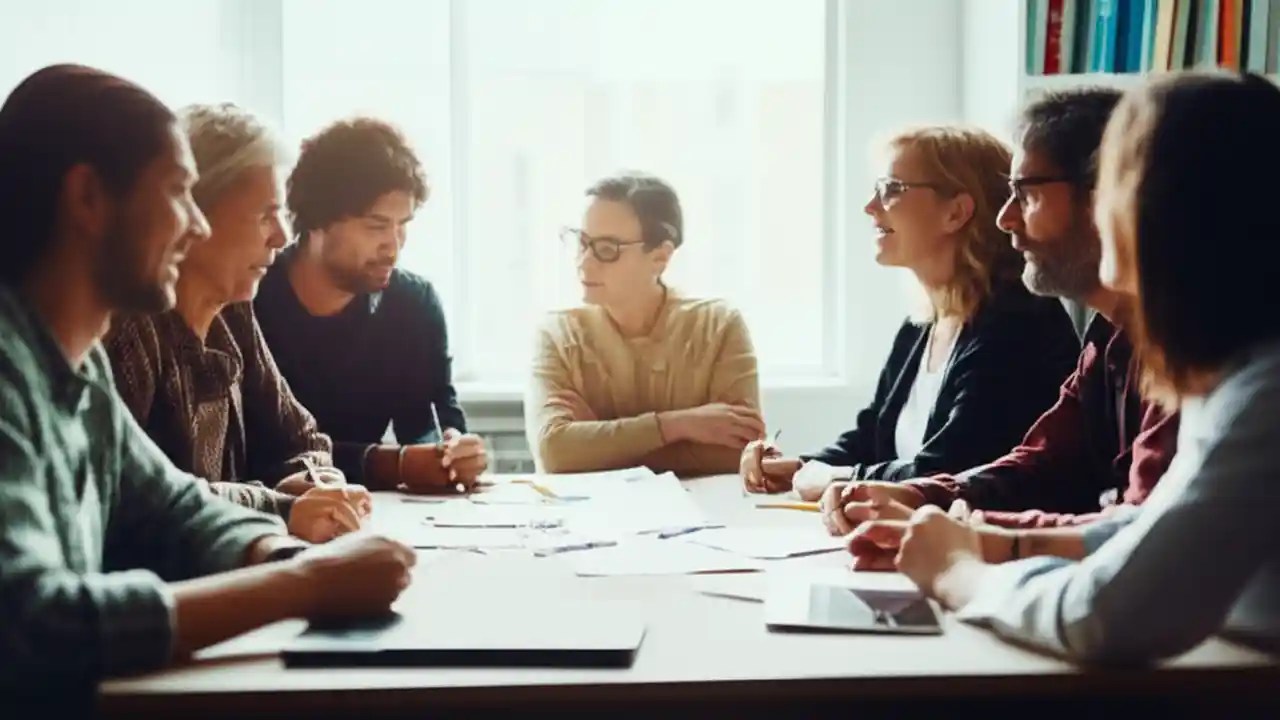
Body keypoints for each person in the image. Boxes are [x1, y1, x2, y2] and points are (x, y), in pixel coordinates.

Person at [0, 65, 414, 700]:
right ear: (87, 198)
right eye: (176, 193)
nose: (195, 226)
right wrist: (304, 587)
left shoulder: (78, 366)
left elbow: (176, 507)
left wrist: (285, 557)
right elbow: (33, 626)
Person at [850, 71, 1280, 664]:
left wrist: (959, 572)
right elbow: (1156, 528)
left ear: (1174, 212)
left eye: (1115, 192)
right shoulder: (1231, 370)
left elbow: (1101, 615)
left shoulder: (1263, 392)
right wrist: (993, 541)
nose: (1106, 220)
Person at [823, 89, 1180, 535]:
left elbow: (1140, 532)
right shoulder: (1107, 335)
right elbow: (1043, 460)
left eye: (1025, 195)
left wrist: (973, 536)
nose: (1005, 218)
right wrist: (924, 495)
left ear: (1104, 199)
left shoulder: (1189, 348)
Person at [741, 127, 1079, 499]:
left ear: (956, 212)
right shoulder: (923, 323)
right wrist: (798, 467)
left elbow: (947, 470)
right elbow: (873, 435)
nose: (870, 206)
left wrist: (839, 478)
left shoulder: (1018, 325)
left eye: (891, 189)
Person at [104, 103, 369, 543]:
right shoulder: (129, 327)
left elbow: (302, 439)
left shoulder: (233, 313)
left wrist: (309, 483)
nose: (282, 238)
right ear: (195, 212)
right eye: (267, 213)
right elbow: (136, 498)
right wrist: (278, 508)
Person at [254, 118, 487, 492]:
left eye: (402, 225)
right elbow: (259, 452)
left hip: (375, 513)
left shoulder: (412, 304)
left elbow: (429, 418)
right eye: (376, 226)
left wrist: (452, 450)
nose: (394, 247)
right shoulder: (250, 299)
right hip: (276, 514)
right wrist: (392, 464)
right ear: (318, 220)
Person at [525, 172, 763, 477]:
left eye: (607, 249)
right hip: (589, 517)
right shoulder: (557, 334)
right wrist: (679, 425)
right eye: (581, 242)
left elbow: (738, 452)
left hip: (704, 516)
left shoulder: (718, 326)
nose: (584, 262)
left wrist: (601, 440)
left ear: (660, 257)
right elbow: (554, 453)